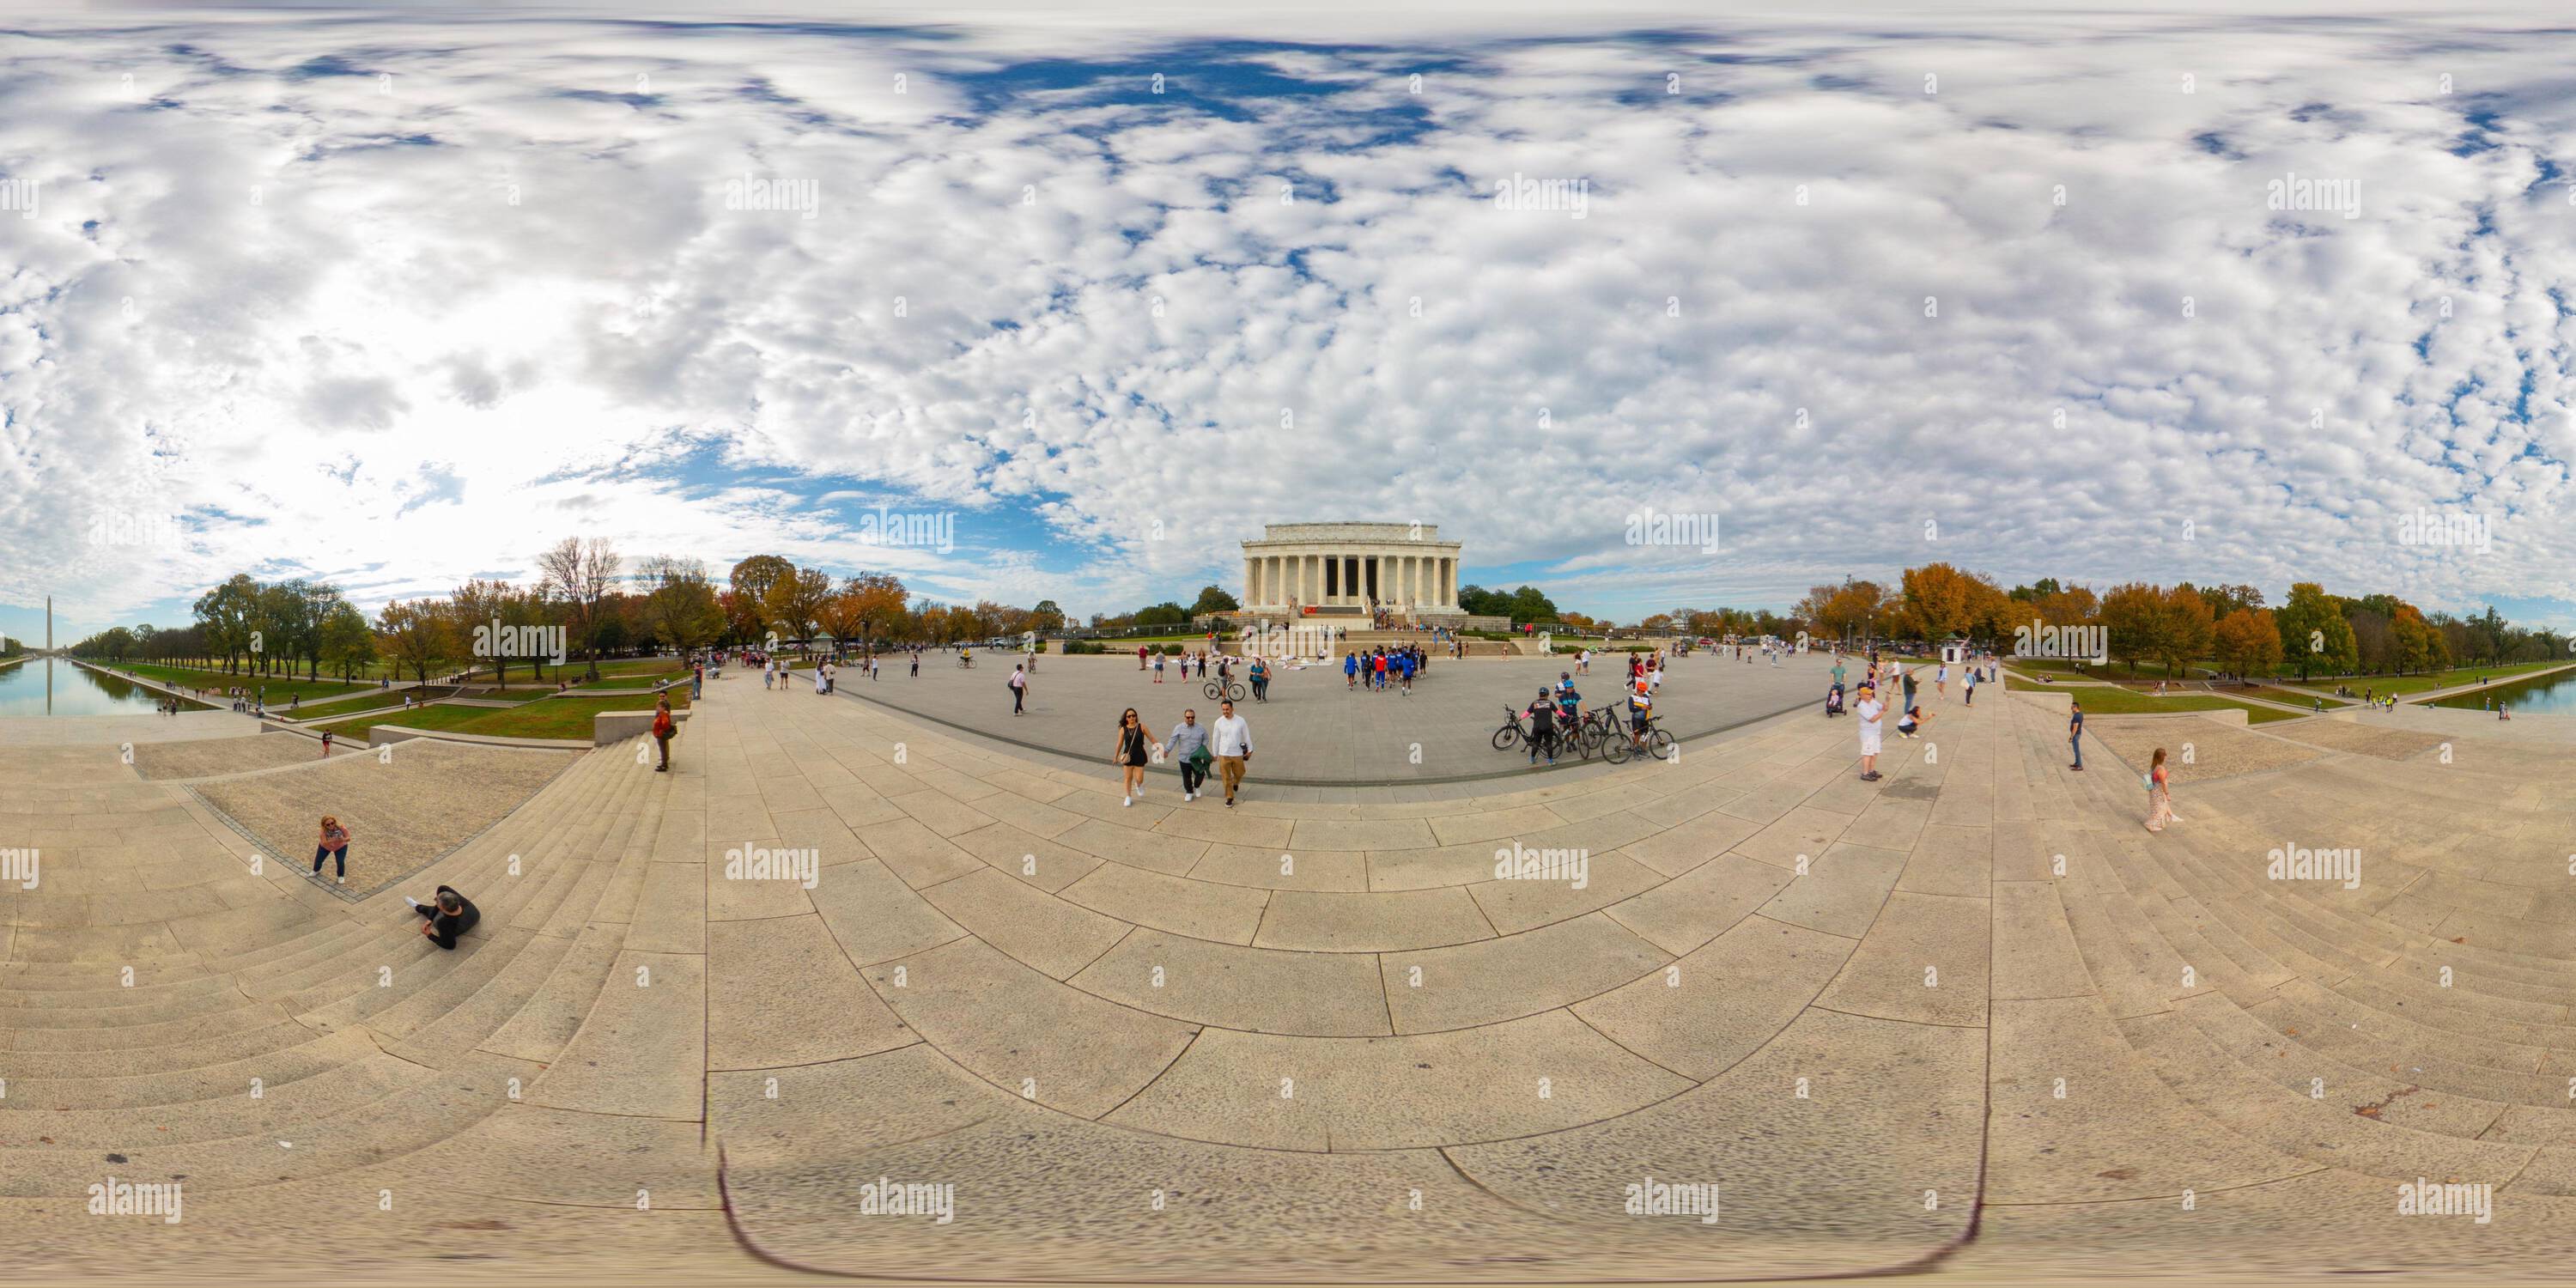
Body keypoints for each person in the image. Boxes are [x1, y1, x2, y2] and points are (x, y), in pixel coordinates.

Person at [1211, 699, 1253, 806]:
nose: (1225, 712)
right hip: (1224, 754)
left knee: (1240, 772)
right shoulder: (1218, 722)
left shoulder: (1240, 721)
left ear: (1232, 709)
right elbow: (1215, 738)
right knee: (1226, 776)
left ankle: (1236, 782)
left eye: (1227, 709)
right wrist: (1215, 754)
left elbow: (1246, 736)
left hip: (1237, 753)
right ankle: (1229, 797)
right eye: (1223, 710)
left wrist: (1250, 750)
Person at [410, 885, 480, 950]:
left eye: (437, 902)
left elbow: (450, 946)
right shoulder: (459, 900)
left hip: (458, 929)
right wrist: (430, 919)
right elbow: (442, 889)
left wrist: (429, 934)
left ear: (442, 909)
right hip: (475, 915)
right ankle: (423, 909)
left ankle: (417, 906)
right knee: (442, 888)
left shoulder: (444, 923)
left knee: (430, 911)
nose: (435, 899)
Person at [1167, 708, 1210, 802]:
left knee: (1201, 774)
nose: (1190, 719)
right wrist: (1167, 750)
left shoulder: (1200, 728)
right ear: (1184, 717)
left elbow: (1206, 738)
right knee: (1186, 776)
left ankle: (1197, 786)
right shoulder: (1179, 728)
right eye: (1188, 717)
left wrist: (1202, 748)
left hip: (1196, 758)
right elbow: (1172, 740)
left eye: (1192, 717)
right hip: (1184, 758)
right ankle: (1189, 792)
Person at [1115, 708, 1151, 806]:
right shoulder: (1123, 729)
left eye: (1133, 715)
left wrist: (1160, 748)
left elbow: (1152, 738)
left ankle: (1138, 785)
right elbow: (1119, 744)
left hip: (1140, 755)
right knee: (1128, 778)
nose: (1131, 717)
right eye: (1129, 716)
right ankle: (1128, 797)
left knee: (1139, 779)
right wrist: (1116, 756)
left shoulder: (1142, 727)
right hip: (1128, 756)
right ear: (1126, 718)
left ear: (1136, 717)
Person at [2145, 746, 2179, 831]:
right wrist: (2167, 794)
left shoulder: (2154, 766)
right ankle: (2151, 825)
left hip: (2153, 791)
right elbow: (2163, 783)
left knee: (2157, 807)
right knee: (2159, 809)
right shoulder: (2161, 769)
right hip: (2159, 792)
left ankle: (2171, 816)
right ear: (2163, 757)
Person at [1855, 683, 1884, 781]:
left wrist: (1888, 700)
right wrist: (1883, 711)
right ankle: (1865, 774)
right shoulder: (1861, 706)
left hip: (1876, 733)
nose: (1870, 695)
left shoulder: (1873, 702)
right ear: (1862, 695)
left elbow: (1885, 707)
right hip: (1868, 734)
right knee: (1867, 753)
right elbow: (1872, 719)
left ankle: (1871, 771)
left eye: (1871, 693)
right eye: (1868, 694)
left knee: (1875, 752)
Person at [1525, 687, 1559, 765]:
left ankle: (1532, 759)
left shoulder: (1535, 703)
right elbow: (1558, 712)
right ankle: (1550, 761)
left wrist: (1520, 718)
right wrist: (1566, 716)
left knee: (1536, 743)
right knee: (1549, 744)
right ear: (1547, 695)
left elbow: (1527, 713)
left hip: (1537, 727)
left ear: (1539, 695)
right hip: (1548, 727)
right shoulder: (1549, 703)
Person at [313, 815, 351, 885]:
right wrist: (333, 840)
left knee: (340, 861)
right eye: (328, 824)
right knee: (319, 859)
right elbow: (324, 842)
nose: (331, 825)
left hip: (340, 847)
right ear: (324, 825)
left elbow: (348, 838)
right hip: (326, 847)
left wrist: (343, 839)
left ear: (334, 822)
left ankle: (340, 876)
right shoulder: (323, 832)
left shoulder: (341, 828)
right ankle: (316, 870)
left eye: (332, 823)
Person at [651, 696, 677, 772]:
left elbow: (665, 724)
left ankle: (664, 765)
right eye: (657, 707)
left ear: (663, 708)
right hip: (659, 734)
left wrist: (660, 731)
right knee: (662, 749)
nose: (657, 708)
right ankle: (663, 764)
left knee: (663, 750)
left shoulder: (663, 714)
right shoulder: (662, 714)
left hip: (661, 735)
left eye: (659, 707)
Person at [2068, 699, 2085, 771]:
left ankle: (2080, 766)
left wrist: (2071, 737)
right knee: (2075, 750)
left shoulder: (2077, 716)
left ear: (2076, 707)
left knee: (2076, 750)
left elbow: (2075, 728)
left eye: (2072, 708)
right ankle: (2077, 763)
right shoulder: (2079, 714)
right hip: (2078, 734)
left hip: (2076, 735)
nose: (2071, 709)